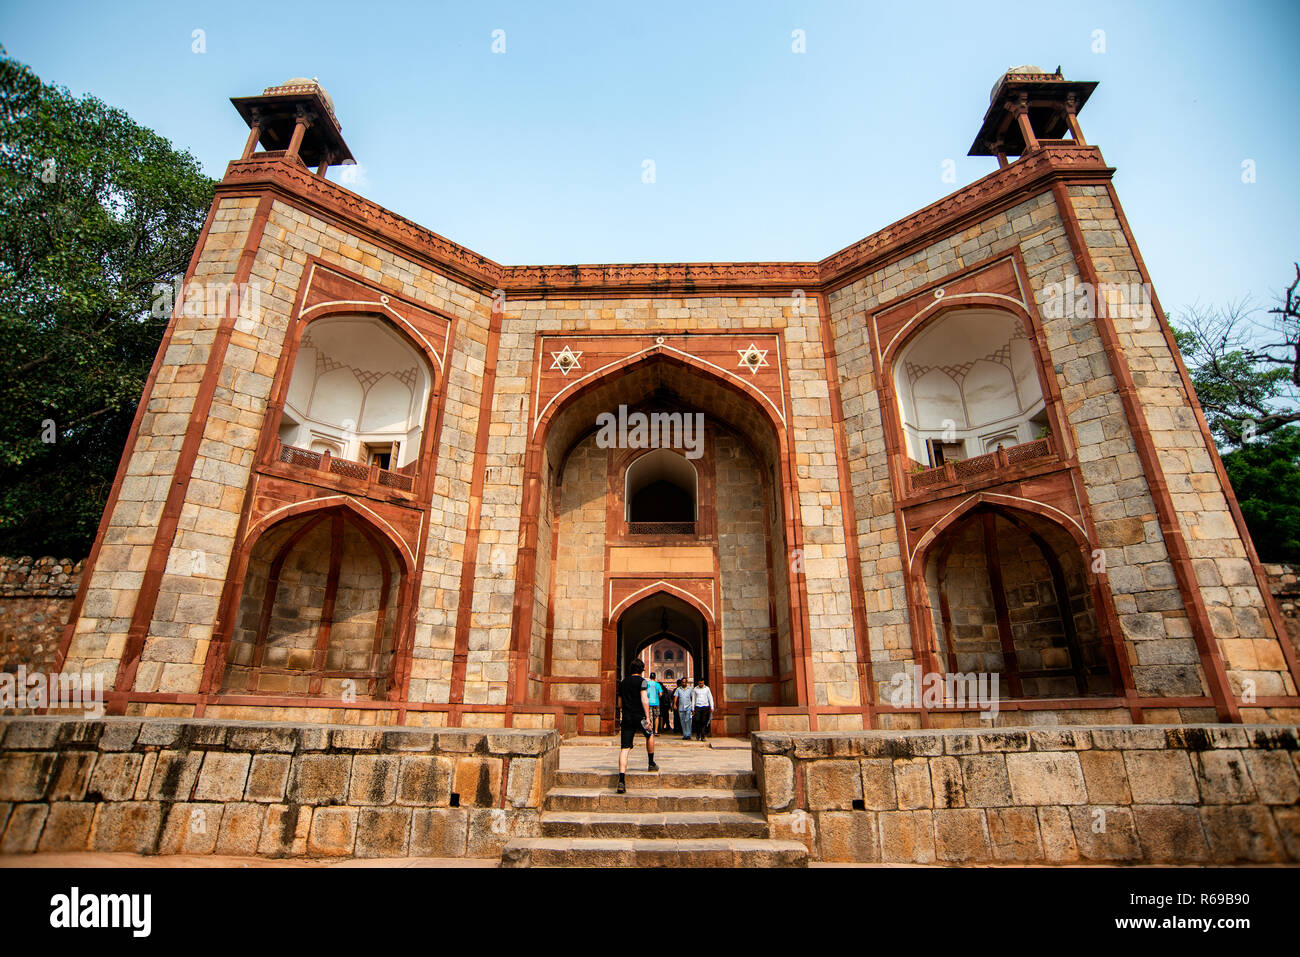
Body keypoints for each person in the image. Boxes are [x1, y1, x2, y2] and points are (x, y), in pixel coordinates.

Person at [617, 658, 657, 792]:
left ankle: (621, 780)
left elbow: (620, 704)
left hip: (627, 717)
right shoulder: (643, 682)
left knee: (625, 748)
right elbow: (644, 699)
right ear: (641, 670)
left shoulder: (622, 683)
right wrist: (648, 717)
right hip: (640, 717)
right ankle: (651, 763)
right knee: (649, 734)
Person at [692, 677, 714, 742]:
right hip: (698, 706)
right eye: (700, 683)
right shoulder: (695, 689)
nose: (701, 684)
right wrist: (692, 708)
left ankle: (703, 736)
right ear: (698, 683)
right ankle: (698, 735)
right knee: (697, 721)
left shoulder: (707, 689)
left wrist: (712, 707)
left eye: (702, 683)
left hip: (705, 706)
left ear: (703, 682)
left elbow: (710, 698)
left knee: (704, 722)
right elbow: (694, 699)